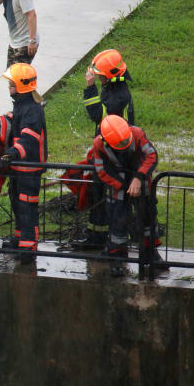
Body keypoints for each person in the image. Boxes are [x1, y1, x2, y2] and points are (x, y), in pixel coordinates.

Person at [72, 49, 135, 250]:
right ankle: (95, 236)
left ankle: (113, 243)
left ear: (111, 76)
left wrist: (90, 88)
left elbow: (98, 115)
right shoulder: (113, 89)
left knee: (112, 201)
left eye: (100, 75)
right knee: (96, 192)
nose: (98, 77)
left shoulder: (119, 98)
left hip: (114, 156)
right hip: (107, 150)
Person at [92, 115, 167, 277]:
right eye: (120, 144)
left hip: (142, 184)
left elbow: (151, 156)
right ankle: (117, 258)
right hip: (116, 186)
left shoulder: (138, 134)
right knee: (117, 222)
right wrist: (123, 186)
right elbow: (101, 171)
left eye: (126, 141)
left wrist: (138, 179)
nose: (125, 145)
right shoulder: (99, 144)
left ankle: (150, 252)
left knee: (148, 218)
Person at [0, 63, 47, 263]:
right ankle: (20, 238)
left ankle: (29, 247)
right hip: (19, 167)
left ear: (20, 85)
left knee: (27, 208)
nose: (9, 87)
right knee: (18, 204)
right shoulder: (22, 105)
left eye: (11, 84)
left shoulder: (32, 110)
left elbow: (28, 139)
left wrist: (10, 154)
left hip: (29, 168)